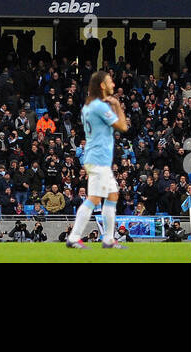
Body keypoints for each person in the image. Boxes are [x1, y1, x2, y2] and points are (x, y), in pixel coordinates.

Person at [66, 70, 129, 249]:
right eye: (110, 82)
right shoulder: (100, 107)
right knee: (94, 198)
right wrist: (116, 104)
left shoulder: (89, 106)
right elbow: (123, 126)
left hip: (96, 157)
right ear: (102, 85)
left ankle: (108, 239)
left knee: (112, 195)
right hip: (98, 158)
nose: (113, 85)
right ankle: (74, 237)